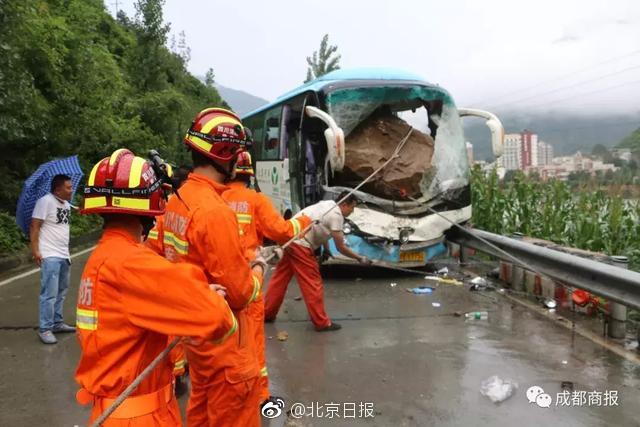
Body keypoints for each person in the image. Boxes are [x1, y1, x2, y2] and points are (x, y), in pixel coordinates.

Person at [74, 148, 237, 426]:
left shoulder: (103, 258)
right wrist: (201, 294)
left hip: (120, 409)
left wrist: (186, 296)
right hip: (141, 417)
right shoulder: (131, 263)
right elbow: (216, 319)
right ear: (151, 203)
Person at [150, 108, 265, 426]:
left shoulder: (177, 200)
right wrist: (257, 270)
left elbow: (161, 256)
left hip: (198, 342)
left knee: (201, 413)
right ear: (225, 154)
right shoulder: (214, 212)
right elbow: (240, 294)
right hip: (227, 348)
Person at [222, 151, 312, 405]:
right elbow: (281, 231)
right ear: (249, 174)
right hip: (248, 279)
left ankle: (228, 389)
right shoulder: (255, 200)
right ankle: (259, 394)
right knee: (252, 340)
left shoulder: (214, 198)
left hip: (217, 284)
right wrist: (305, 220)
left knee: (222, 342)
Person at [264, 192, 370, 331]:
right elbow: (341, 247)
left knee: (280, 278)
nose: (352, 211)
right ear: (344, 204)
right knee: (312, 282)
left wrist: (325, 249)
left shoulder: (327, 205)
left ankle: (267, 313)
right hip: (300, 243)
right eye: (352, 208)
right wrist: (359, 258)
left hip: (289, 237)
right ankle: (321, 322)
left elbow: (322, 228)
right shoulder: (337, 215)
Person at [30, 174, 75, 344]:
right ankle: (45, 328)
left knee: (61, 291)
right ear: (57, 189)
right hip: (50, 254)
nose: (71, 190)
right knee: (49, 293)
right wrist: (36, 250)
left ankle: (57, 323)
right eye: (68, 187)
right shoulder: (45, 201)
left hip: (64, 254)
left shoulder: (66, 204)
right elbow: (35, 225)